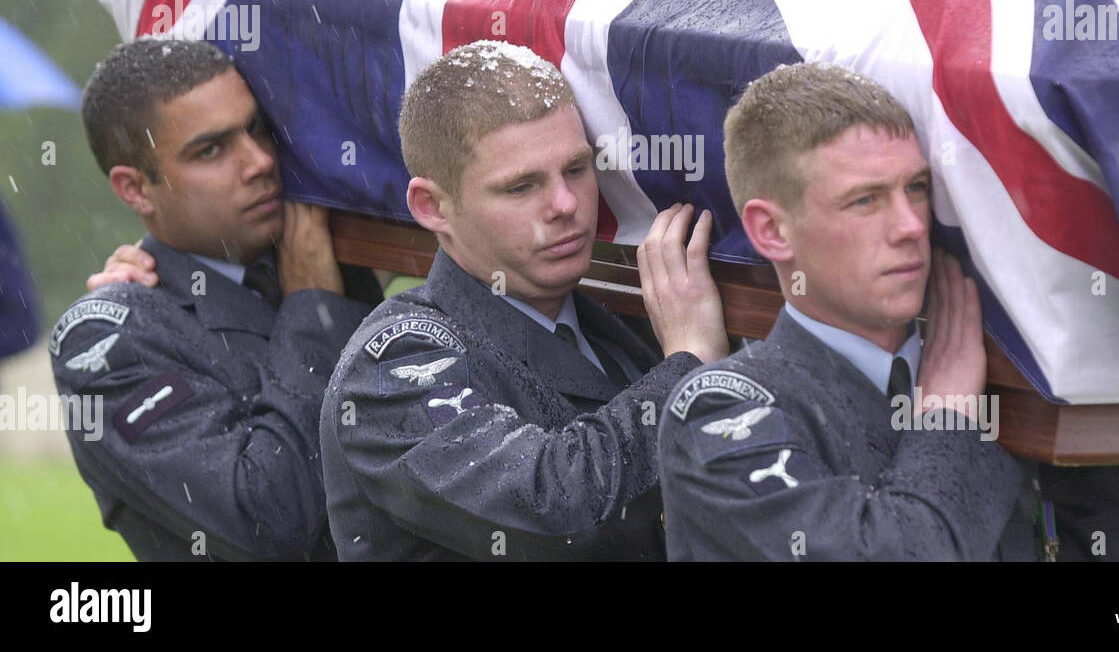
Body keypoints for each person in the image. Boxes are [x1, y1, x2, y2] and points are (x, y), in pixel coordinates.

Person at [320, 41, 728, 560]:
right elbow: (551, 505)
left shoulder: (623, 327)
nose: (565, 205)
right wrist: (689, 367)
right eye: (521, 187)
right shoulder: (393, 363)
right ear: (433, 207)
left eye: (576, 169)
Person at [657, 62, 1038, 561]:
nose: (910, 226)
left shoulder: (1009, 376)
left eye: (916, 188)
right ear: (772, 231)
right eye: (864, 200)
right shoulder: (722, 409)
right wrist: (944, 417)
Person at [53, 38, 382, 561]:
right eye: (210, 150)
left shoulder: (328, 247)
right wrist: (313, 306)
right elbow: (268, 520)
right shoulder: (107, 341)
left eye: (257, 128)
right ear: (135, 189)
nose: (259, 161)